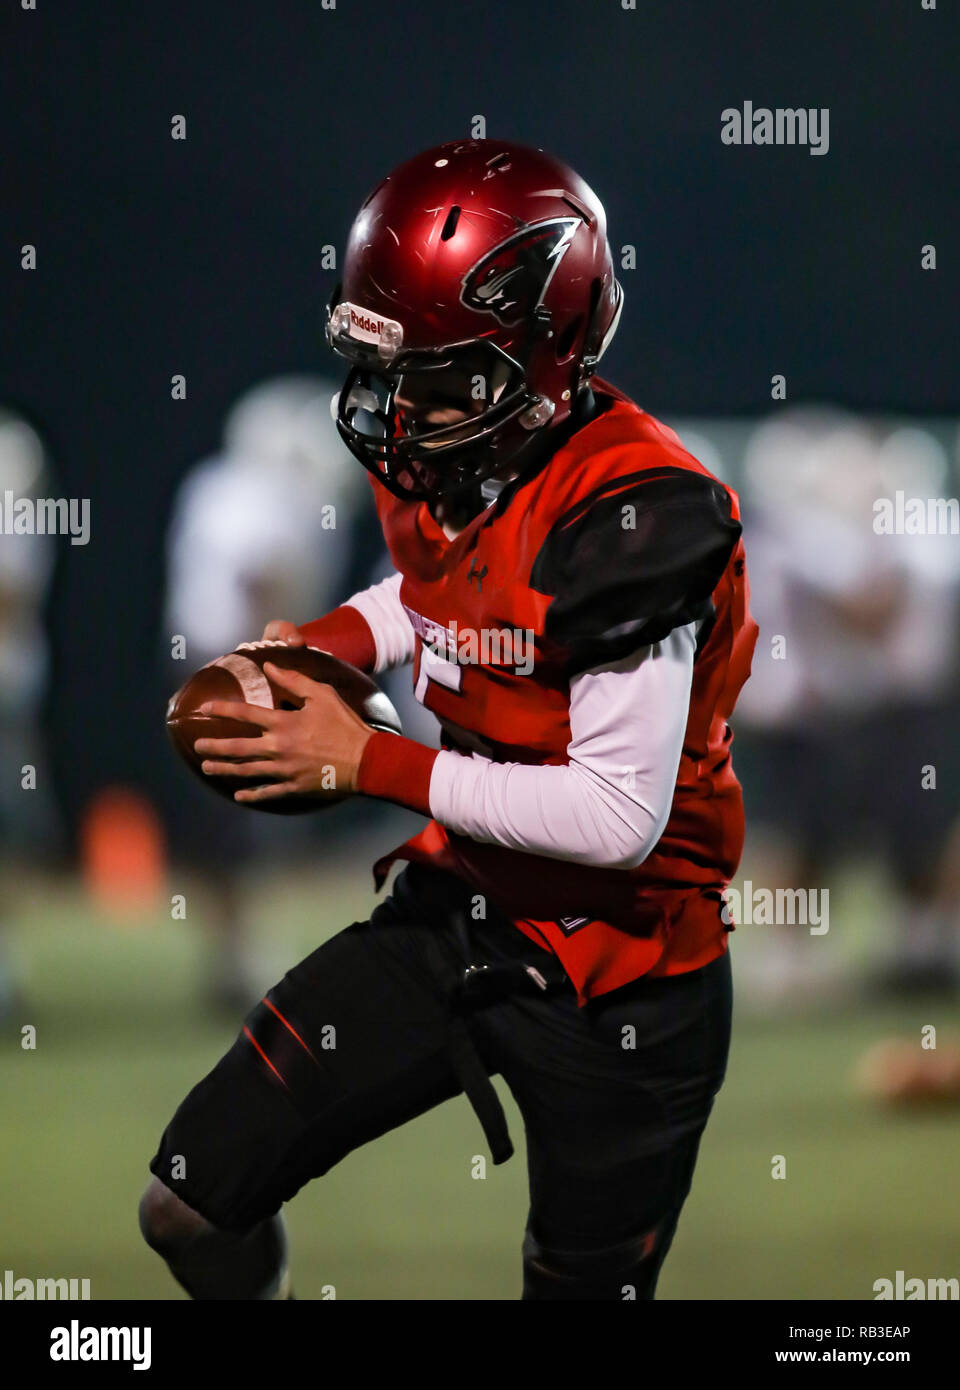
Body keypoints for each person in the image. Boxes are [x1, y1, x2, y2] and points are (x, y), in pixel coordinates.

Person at [139, 139, 757, 1300]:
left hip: (624, 973)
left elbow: (616, 814)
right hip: (465, 907)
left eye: (435, 374)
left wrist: (367, 758)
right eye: (385, 366)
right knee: (188, 1201)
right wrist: (333, 643)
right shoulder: (458, 451)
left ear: (543, 350)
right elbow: (436, 596)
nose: (395, 407)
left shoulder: (636, 516)